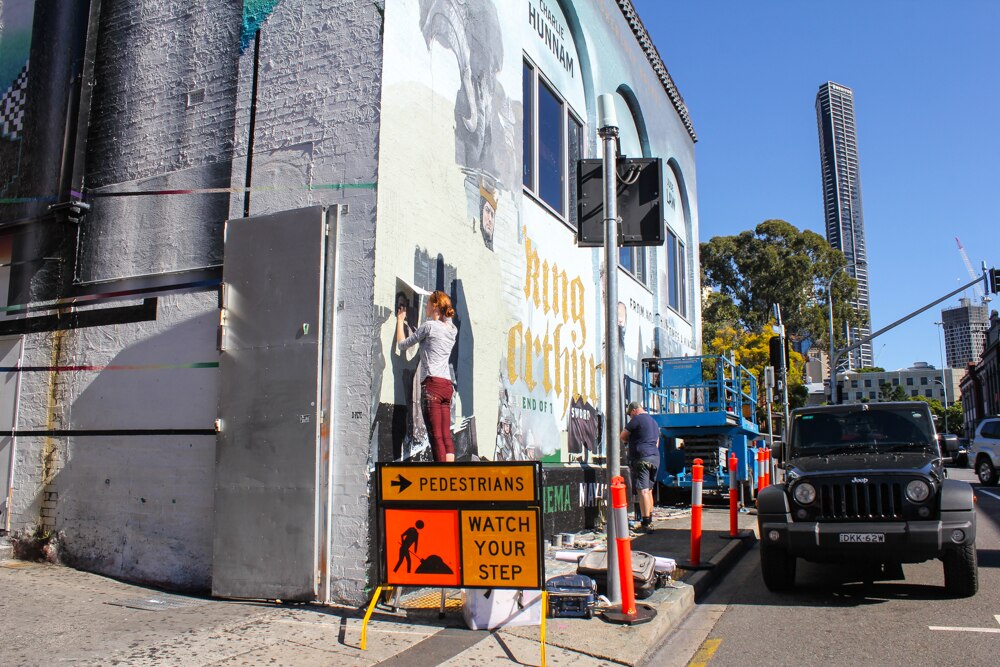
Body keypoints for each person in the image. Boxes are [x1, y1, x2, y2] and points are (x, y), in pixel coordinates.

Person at [397, 290, 458, 462]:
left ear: (435, 306)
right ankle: (451, 475)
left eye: (428, 303)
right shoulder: (452, 330)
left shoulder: (428, 326)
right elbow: (447, 318)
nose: (425, 306)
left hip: (432, 385)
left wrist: (400, 321)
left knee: (436, 436)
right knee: (446, 435)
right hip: (447, 386)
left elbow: (403, 345)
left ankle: (441, 478)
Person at [620, 401, 660, 533]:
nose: (631, 416)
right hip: (654, 458)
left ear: (634, 410)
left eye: (630, 414)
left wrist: (628, 442)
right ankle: (650, 519)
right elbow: (657, 442)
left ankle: (646, 523)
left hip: (641, 458)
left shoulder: (636, 420)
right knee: (649, 490)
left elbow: (623, 436)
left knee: (642, 491)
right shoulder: (654, 422)